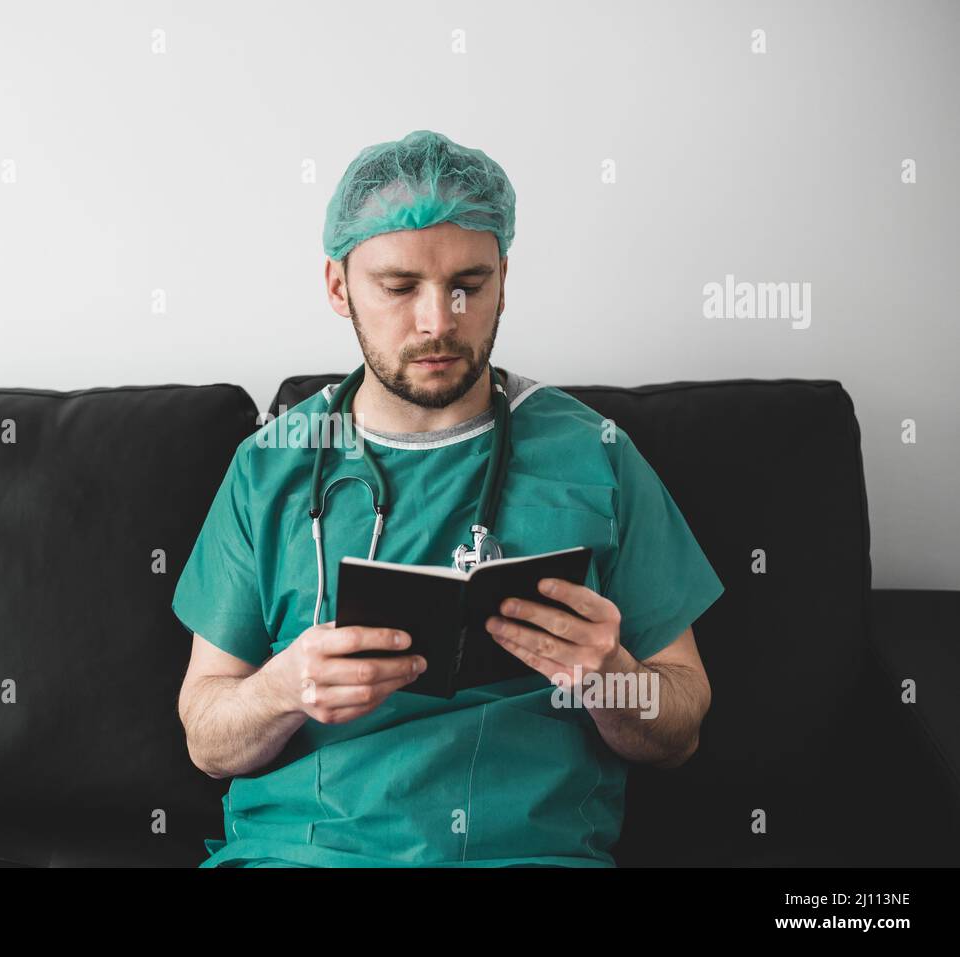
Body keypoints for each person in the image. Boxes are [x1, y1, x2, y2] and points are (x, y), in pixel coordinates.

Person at [172, 129, 724, 867]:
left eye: (470, 282)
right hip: (303, 856)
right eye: (399, 287)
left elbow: (680, 726)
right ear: (338, 286)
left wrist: (611, 677)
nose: (440, 320)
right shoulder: (269, 468)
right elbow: (206, 740)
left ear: (504, 278)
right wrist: (279, 690)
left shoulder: (594, 454)